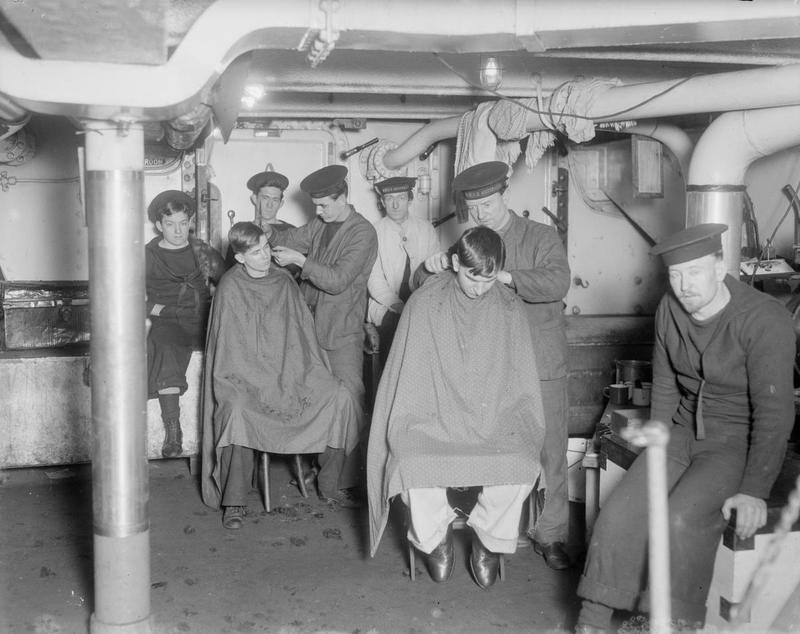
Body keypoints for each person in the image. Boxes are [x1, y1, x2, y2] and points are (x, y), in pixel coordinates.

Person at [575, 223, 796, 633]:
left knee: (681, 519)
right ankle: (592, 619)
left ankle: (672, 623)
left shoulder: (764, 319)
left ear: (719, 266)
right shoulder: (670, 309)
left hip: (733, 441)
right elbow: (664, 383)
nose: (684, 285)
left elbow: (775, 413)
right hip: (679, 433)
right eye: (676, 275)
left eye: (694, 272)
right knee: (620, 513)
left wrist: (754, 490)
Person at [367, 226, 547, 589]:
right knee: (411, 463)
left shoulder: (509, 307)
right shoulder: (424, 303)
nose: (480, 288)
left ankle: (488, 541)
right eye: (471, 278)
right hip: (431, 423)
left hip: (493, 424)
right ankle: (435, 540)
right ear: (453, 263)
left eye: (489, 279)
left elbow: (521, 385)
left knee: (523, 462)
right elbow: (411, 383)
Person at [420, 160, 572, 569]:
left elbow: (558, 282)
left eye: (487, 204)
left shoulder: (539, 235)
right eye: (474, 208)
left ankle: (551, 533)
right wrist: (426, 267)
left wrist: (506, 277)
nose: (480, 214)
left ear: (504, 195)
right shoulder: (470, 242)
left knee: (549, 449)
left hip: (540, 361)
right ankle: (491, 534)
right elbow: (424, 290)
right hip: (495, 367)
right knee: (497, 449)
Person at [200, 222, 359, 529]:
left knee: (339, 396)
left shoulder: (284, 281)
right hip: (243, 377)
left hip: (291, 374)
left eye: (266, 248)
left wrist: (296, 374)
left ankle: (330, 484)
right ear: (240, 258)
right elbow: (229, 350)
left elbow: (303, 339)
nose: (264, 256)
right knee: (236, 409)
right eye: (256, 252)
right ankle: (235, 500)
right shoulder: (230, 288)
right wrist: (257, 378)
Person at [267, 164, 378, 507]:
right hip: (309, 329)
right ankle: (320, 470)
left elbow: (338, 279)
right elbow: (289, 238)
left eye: (324, 205)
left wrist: (301, 261)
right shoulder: (320, 223)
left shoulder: (362, 232)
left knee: (350, 405)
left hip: (341, 334)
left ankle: (341, 481)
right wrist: (263, 234)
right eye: (314, 205)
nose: (317, 212)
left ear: (343, 197)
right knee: (315, 403)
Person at [145, 190, 226, 458]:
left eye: (183, 223)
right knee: (165, 348)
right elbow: (128, 297)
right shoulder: (148, 255)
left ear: (189, 220)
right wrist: (161, 310)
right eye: (170, 224)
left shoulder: (201, 250)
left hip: (201, 319)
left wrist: (216, 304)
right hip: (168, 320)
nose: (178, 230)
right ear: (159, 225)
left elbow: (230, 282)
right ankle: (173, 431)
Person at [367, 176, 440, 367]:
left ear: (410, 199)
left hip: (421, 302)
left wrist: (420, 305)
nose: (395, 204)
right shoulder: (373, 232)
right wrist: (399, 306)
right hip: (387, 305)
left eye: (400, 197)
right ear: (382, 202)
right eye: (390, 199)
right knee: (396, 340)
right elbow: (374, 281)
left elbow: (436, 274)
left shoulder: (426, 229)